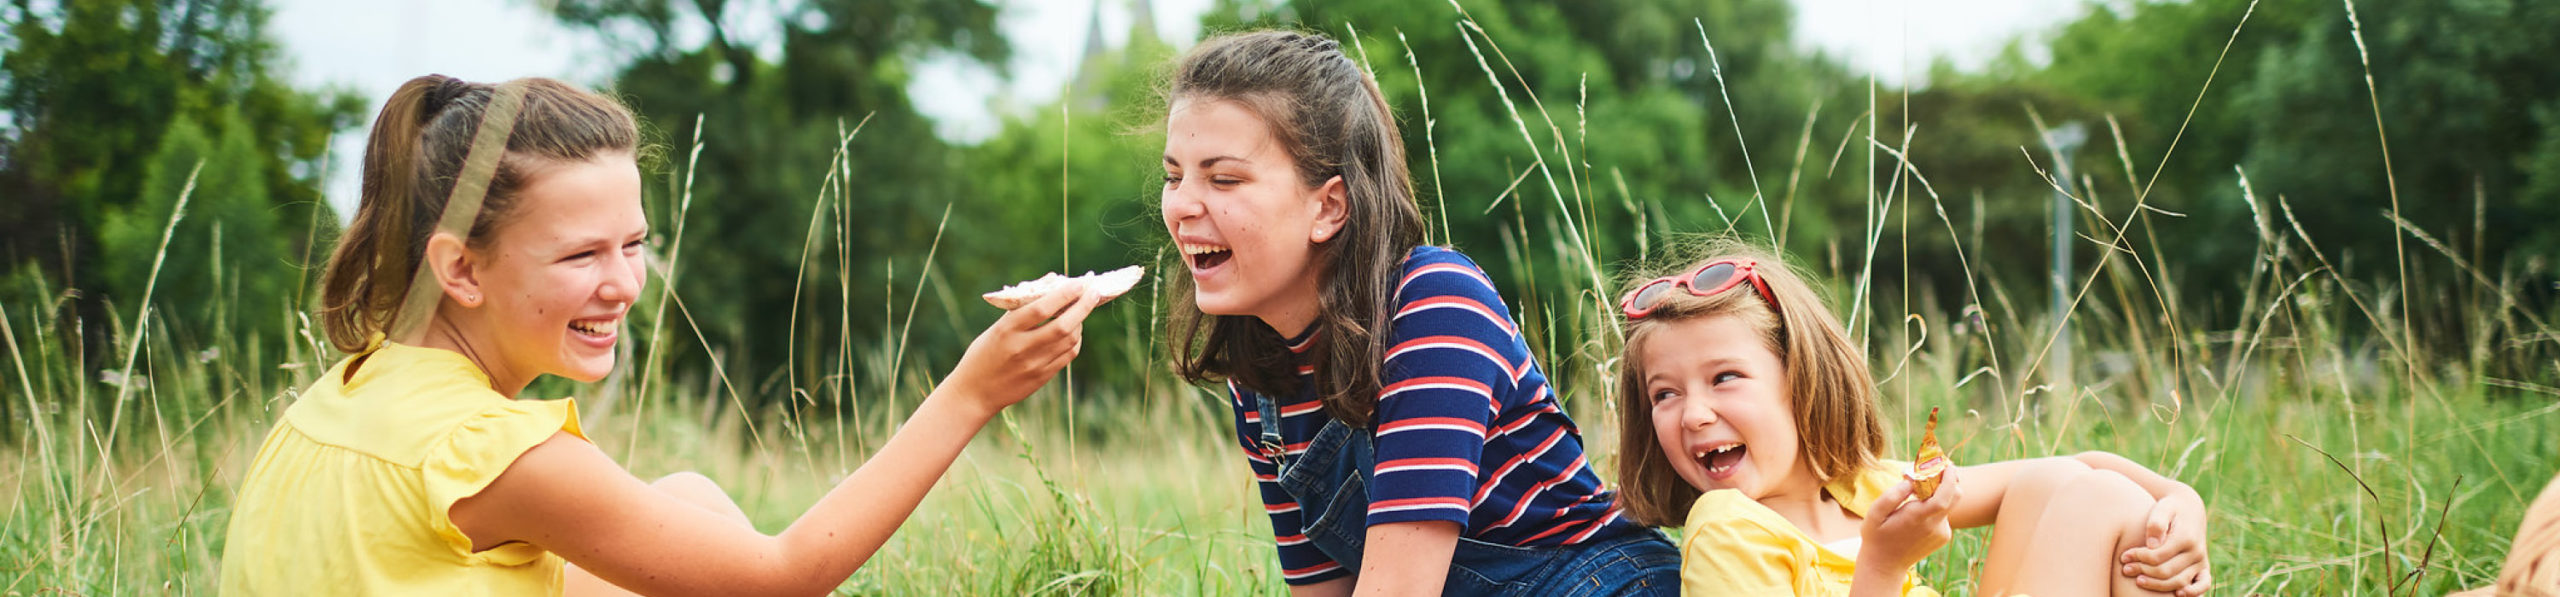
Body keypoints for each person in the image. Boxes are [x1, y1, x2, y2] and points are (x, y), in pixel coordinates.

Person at [218, 75, 1107, 595]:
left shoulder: (347, 392)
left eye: (634, 242)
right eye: (579, 254)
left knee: (687, 497)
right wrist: (972, 391)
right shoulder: (497, 452)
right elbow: (784, 574)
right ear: (461, 269)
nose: (624, 282)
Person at [1158, 30, 1677, 595]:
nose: (1182, 204)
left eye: (1224, 178)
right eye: (1173, 175)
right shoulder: (1259, 375)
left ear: (1328, 205)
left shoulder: (1433, 304)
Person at [1607, 237, 2213, 596]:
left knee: (2092, 494)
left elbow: (2069, 467)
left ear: (1803, 382)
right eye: (1664, 395)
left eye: (1724, 378)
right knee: (2101, 501)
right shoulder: (1727, 527)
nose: (1694, 414)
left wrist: (2182, 499)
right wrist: (1883, 564)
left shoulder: (1862, 487)